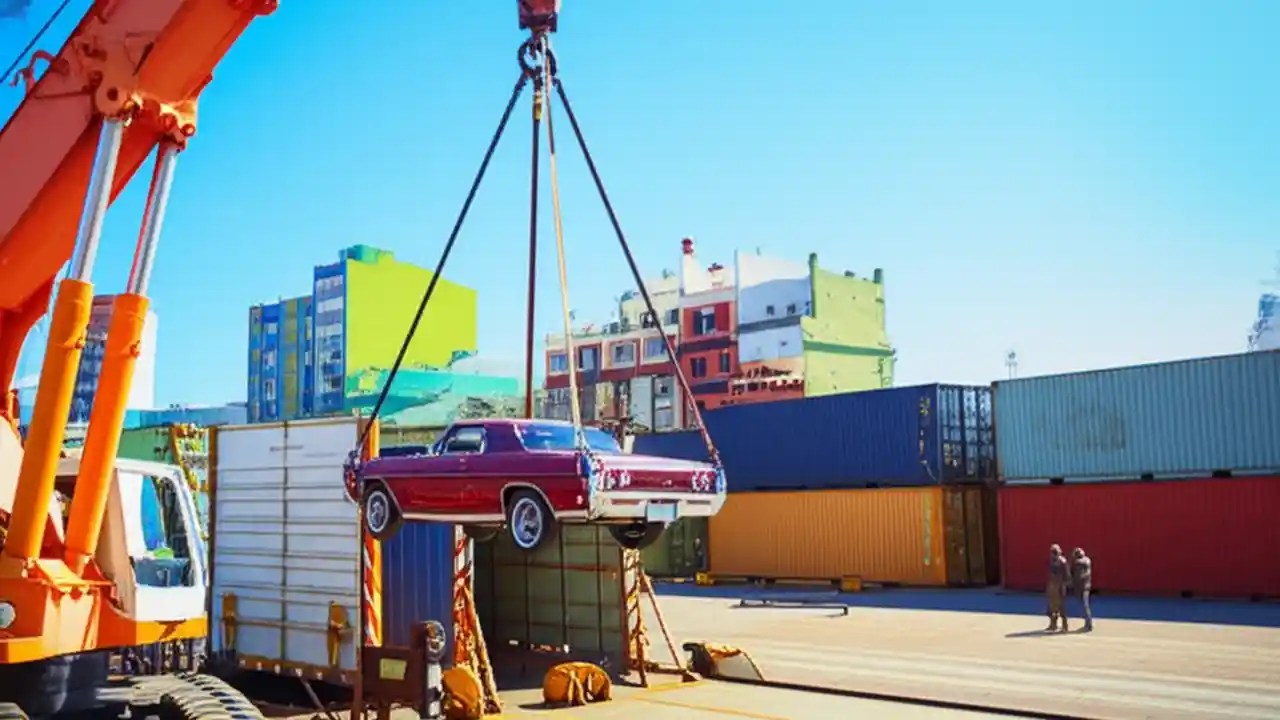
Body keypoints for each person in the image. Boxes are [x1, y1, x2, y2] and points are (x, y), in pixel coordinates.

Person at [1046, 544, 1070, 632]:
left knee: (1061, 607)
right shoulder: (1052, 561)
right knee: (1051, 607)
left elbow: (1067, 575)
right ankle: (1053, 624)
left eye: (1053, 552)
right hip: (1052, 586)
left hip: (1060, 586)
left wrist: (1064, 584)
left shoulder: (1062, 562)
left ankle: (1065, 626)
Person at [1071, 547, 1094, 632]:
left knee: (1085, 605)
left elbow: (1079, 574)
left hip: (1083, 587)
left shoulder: (1080, 562)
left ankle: (1089, 624)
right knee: (1084, 605)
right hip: (1084, 586)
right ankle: (1088, 623)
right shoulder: (1087, 560)